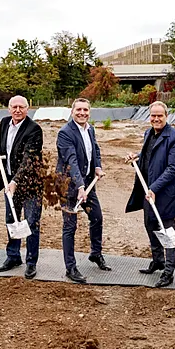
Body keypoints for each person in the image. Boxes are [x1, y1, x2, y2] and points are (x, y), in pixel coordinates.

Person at [125, 101, 175, 288]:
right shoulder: (148, 133)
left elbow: (173, 168)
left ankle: (168, 271)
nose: (156, 119)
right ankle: (157, 260)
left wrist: (155, 188)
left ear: (167, 116)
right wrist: (136, 156)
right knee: (150, 225)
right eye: (153, 115)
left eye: (160, 115)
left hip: (166, 193)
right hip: (148, 190)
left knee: (167, 230)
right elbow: (149, 155)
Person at [57, 98, 109, 284]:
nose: (82, 113)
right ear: (72, 112)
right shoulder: (65, 133)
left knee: (97, 218)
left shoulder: (90, 128)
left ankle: (95, 254)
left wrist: (97, 166)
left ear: (89, 112)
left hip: (88, 183)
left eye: (85, 110)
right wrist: (80, 187)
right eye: (78, 110)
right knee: (70, 226)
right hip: (68, 186)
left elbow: (94, 148)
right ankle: (70, 267)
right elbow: (71, 161)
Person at [0, 95, 43, 279]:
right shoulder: (5, 123)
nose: (17, 110)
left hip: (30, 185)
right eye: (14, 107)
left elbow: (29, 159)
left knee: (31, 222)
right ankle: (13, 257)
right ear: (9, 108)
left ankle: (30, 262)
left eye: (21, 107)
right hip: (8, 181)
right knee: (11, 219)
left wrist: (15, 182)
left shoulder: (34, 129)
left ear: (28, 109)